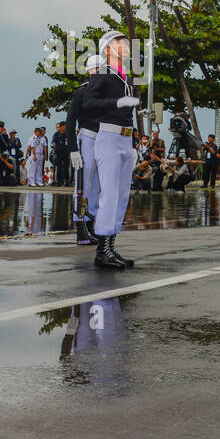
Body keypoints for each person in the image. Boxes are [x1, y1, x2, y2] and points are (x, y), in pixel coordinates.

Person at [87, 31, 140, 269]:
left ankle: (110, 246)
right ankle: (102, 251)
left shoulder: (125, 78)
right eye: (118, 42)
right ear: (107, 50)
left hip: (125, 139)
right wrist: (115, 104)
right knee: (109, 194)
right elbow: (88, 104)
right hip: (108, 136)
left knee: (121, 196)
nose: (124, 45)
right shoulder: (103, 75)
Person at [65, 53, 102, 245]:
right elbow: (70, 123)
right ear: (89, 71)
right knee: (82, 186)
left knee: (96, 187)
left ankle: (90, 224)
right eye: (95, 70)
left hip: (102, 140)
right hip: (86, 138)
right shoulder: (81, 92)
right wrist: (73, 149)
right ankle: (80, 229)